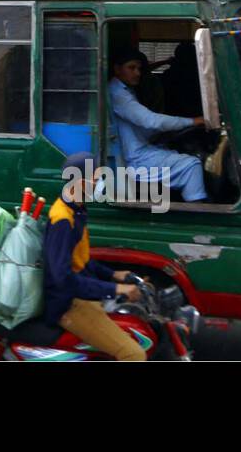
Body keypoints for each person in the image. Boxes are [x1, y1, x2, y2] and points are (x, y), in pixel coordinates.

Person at [42, 152, 146, 361]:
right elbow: (62, 279)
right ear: (80, 182)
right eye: (96, 180)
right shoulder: (63, 220)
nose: (100, 185)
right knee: (134, 354)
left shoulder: (78, 210)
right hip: (69, 304)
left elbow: (82, 260)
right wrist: (115, 289)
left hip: (84, 295)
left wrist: (114, 275)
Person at [109, 49, 208, 202]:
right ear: (117, 69)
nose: (137, 73)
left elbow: (140, 127)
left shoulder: (125, 90)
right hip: (136, 159)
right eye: (131, 68)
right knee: (191, 165)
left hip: (141, 149)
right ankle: (198, 213)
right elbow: (151, 121)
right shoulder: (117, 94)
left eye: (139, 69)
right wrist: (193, 121)